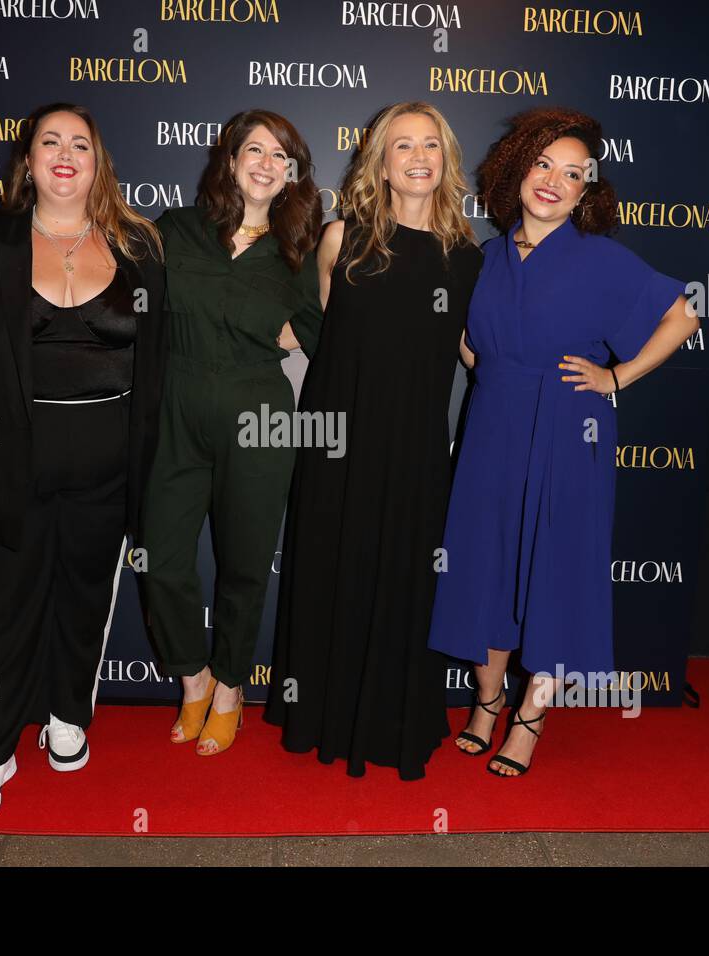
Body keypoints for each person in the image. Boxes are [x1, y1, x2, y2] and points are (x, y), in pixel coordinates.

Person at [428, 108, 697, 776]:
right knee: (484, 565)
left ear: (588, 192)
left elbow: (685, 312)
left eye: (574, 173)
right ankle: (487, 701)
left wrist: (617, 376)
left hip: (570, 430)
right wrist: (487, 368)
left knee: (555, 568)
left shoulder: (600, 258)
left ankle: (530, 715)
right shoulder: (483, 257)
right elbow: (464, 338)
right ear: (517, 167)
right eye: (545, 164)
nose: (555, 180)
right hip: (492, 426)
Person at [0, 103, 166, 821]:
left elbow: (156, 364)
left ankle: (68, 717)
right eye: (49, 142)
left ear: (100, 164)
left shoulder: (140, 249)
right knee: (4, 610)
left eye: (80, 144)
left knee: (85, 599)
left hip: (109, 467)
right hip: (6, 465)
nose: (64, 154)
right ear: (26, 162)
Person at [265, 102, 482, 779]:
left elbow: (481, 355)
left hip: (414, 451)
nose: (418, 156)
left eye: (431, 145)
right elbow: (304, 329)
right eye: (402, 145)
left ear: (445, 160)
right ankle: (322, 714)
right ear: (379, 163)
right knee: (334, 567)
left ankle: (391, 722)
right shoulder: (340, 240)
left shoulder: (468, 259)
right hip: (336, 443)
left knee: (402, 576)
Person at [140, 109, 322, 756]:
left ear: (293, 171)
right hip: (175, 409)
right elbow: (130, 305)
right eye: (255, 149)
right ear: (230, 159)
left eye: (281, 154)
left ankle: (230, 689)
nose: (267, 162)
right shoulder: (176, 229)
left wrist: (289, 332)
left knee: (245, 566)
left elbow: (333, 334)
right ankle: (194, 677)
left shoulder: (300, 248)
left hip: (259, 412)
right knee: (161, 561)